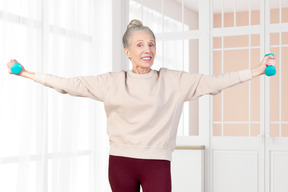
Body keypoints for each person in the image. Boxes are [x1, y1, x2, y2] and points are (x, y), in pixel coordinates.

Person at [7, 19, 276, 192]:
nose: (147, 49)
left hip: (156, 163)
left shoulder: (174, 81)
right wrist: (28, 74)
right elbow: (67, 84)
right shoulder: (111, 82)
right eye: (140, 44)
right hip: (120, 162)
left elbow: (216, 81)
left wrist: (256, 71)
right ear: (128, 52)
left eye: (151, 44)